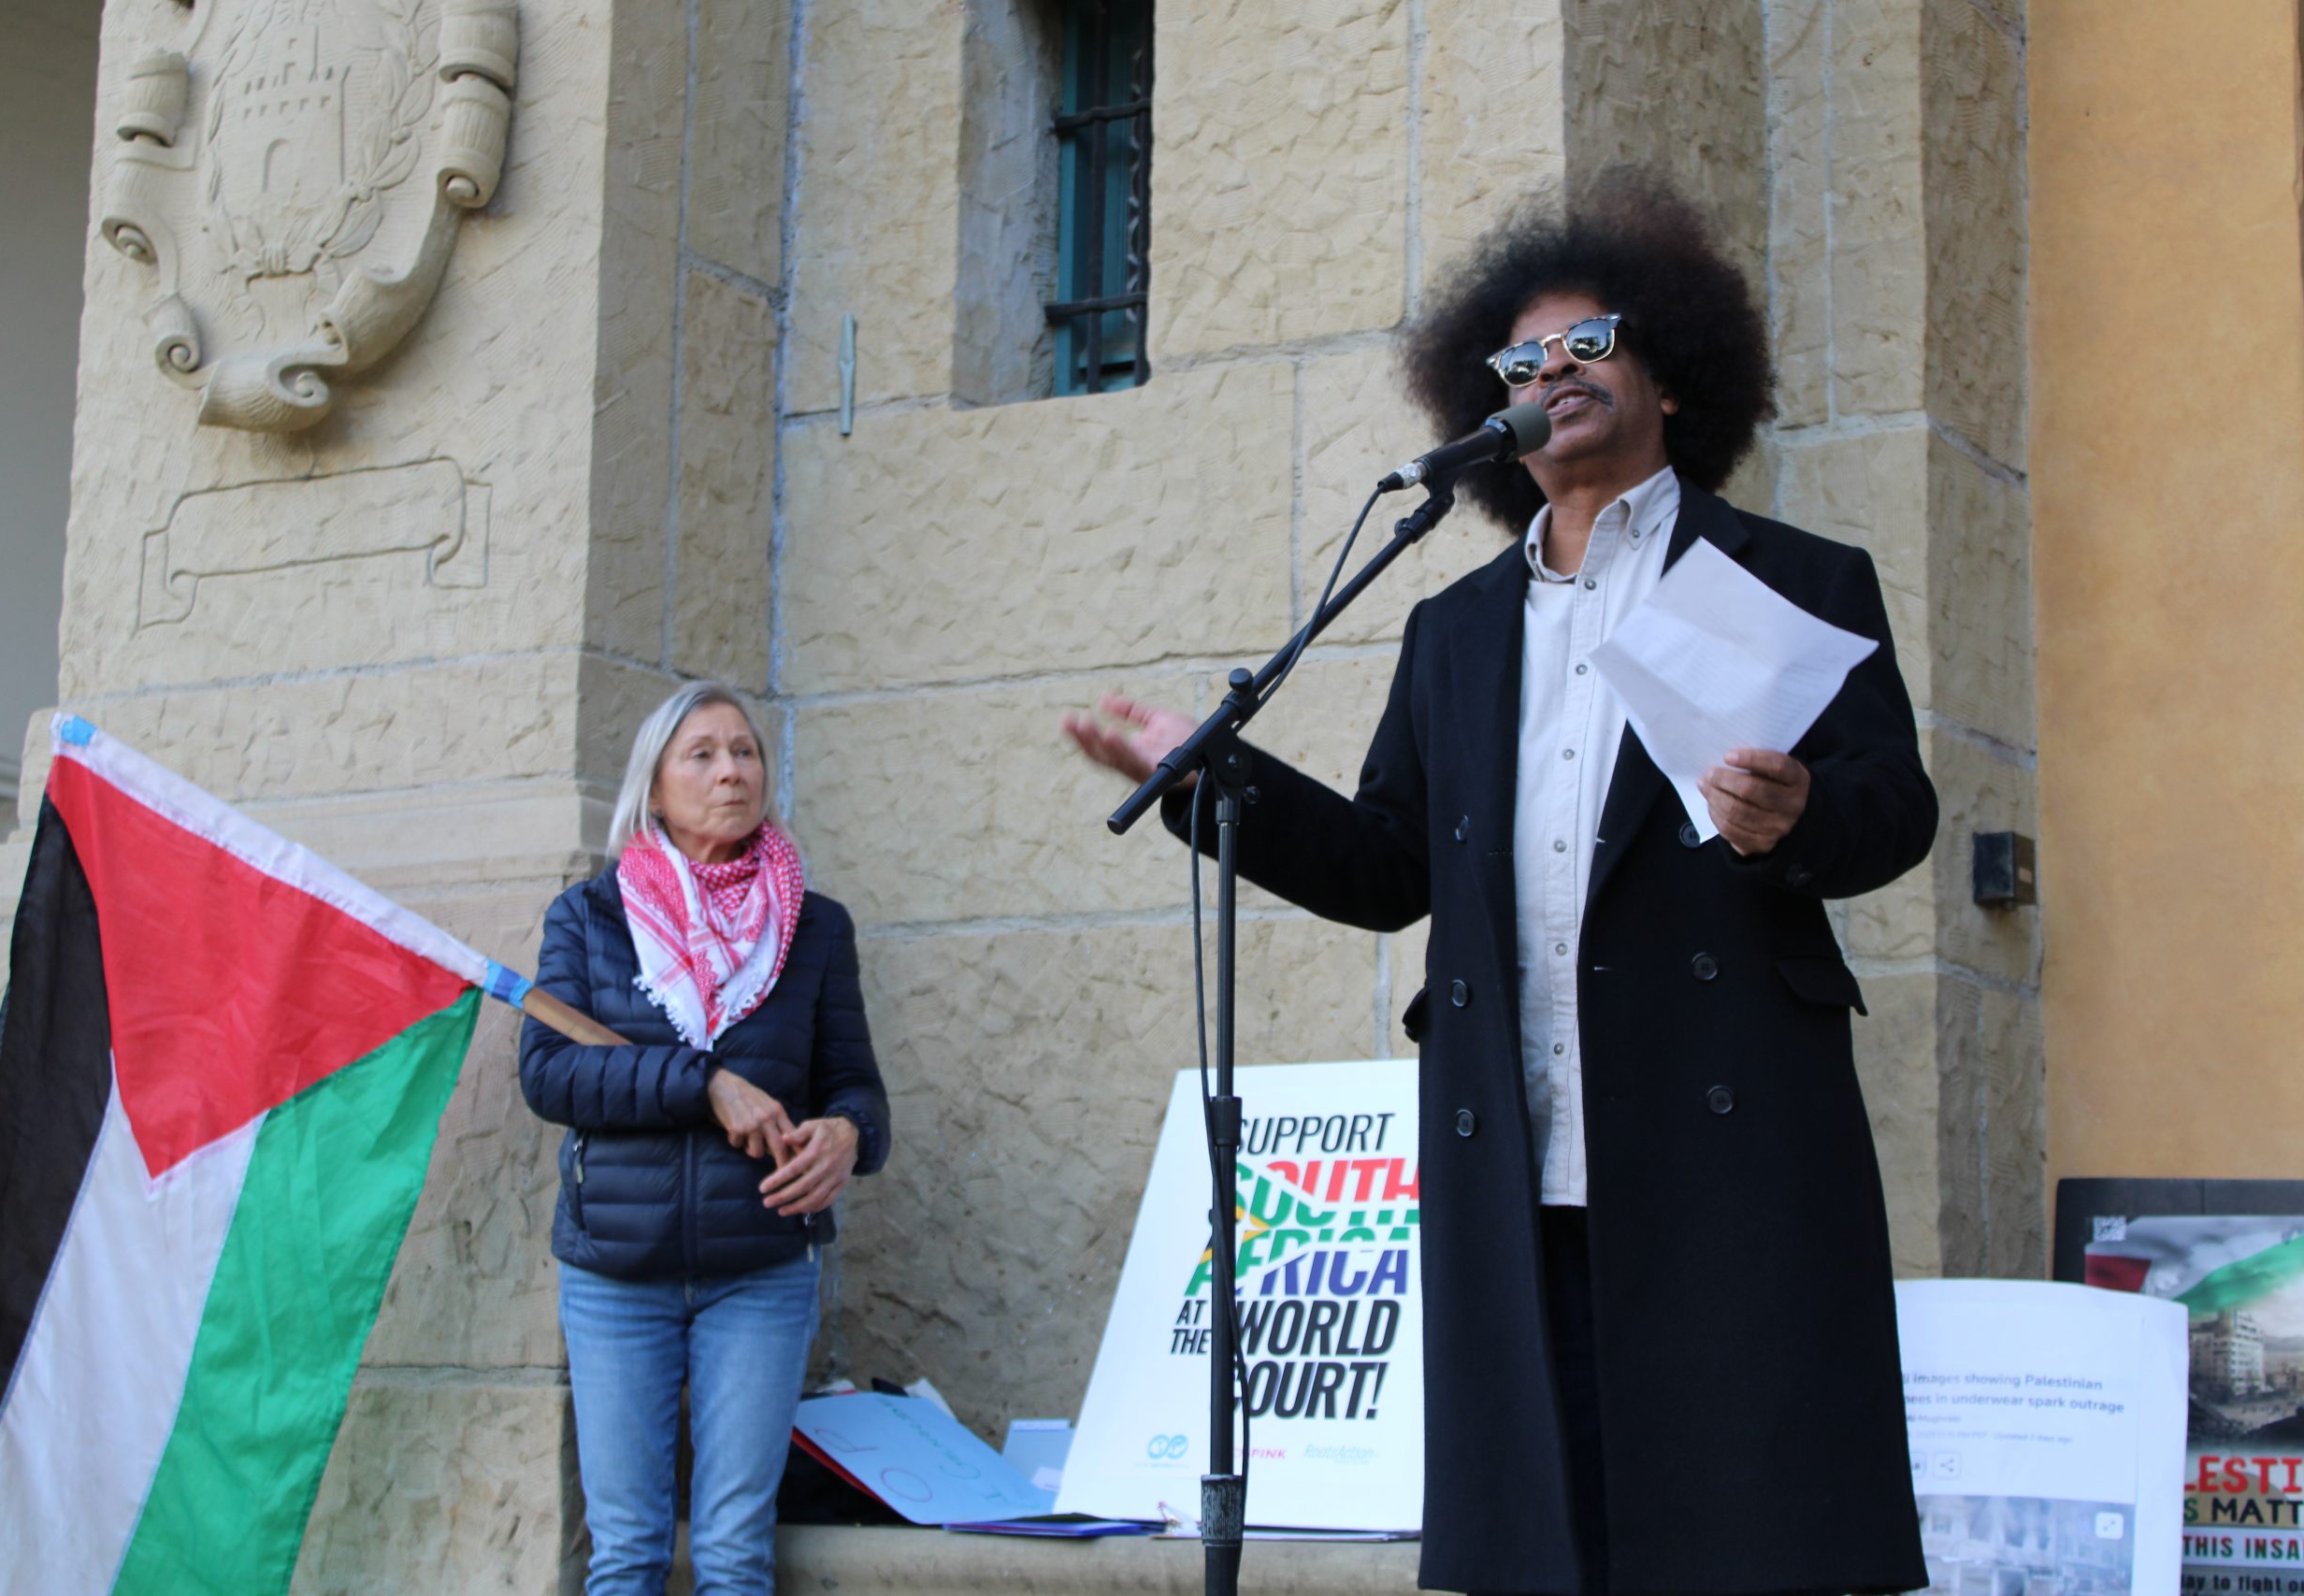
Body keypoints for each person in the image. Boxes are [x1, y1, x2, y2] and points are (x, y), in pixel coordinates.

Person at [1063, 174, 1933, 1596]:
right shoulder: (1454, 628)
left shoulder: (1791, 577)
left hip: (1726, 1141)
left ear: (1670, 374)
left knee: (1739, 1531)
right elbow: (1388, 868)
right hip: (1515, 1146)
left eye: (1587, 344)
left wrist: (1802, 816)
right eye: (1520, 361)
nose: (1551, 374)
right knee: (1549, 1537)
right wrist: (1211, 774)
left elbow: (1898, 809)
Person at [520, 682, 890, 1596]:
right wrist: (704, 1082)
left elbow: (856, 1087)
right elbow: (550, 1074)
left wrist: (849, 1133)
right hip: (615, 1269)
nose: (732, 771)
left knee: (733, 1552)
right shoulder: (590, 917)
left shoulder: (814, 927)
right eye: (703, 754)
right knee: (626, 1552)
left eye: (745, 751)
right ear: (653, 787)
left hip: (760, 1269)